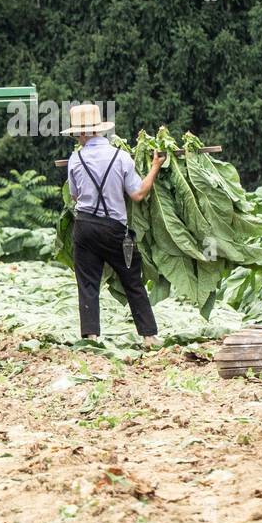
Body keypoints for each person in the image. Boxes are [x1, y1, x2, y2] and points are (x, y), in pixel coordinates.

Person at [62, 104, 165, 347]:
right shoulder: (121, 157)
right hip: (114, 230)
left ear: (81, 134)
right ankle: (149, 336)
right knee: (132, 280)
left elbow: (75, 196)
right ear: (98, 131)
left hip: (85, 227)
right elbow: (138, 194)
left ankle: (91, 337)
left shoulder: (75, 159)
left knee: (87, 282)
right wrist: (155, 167)